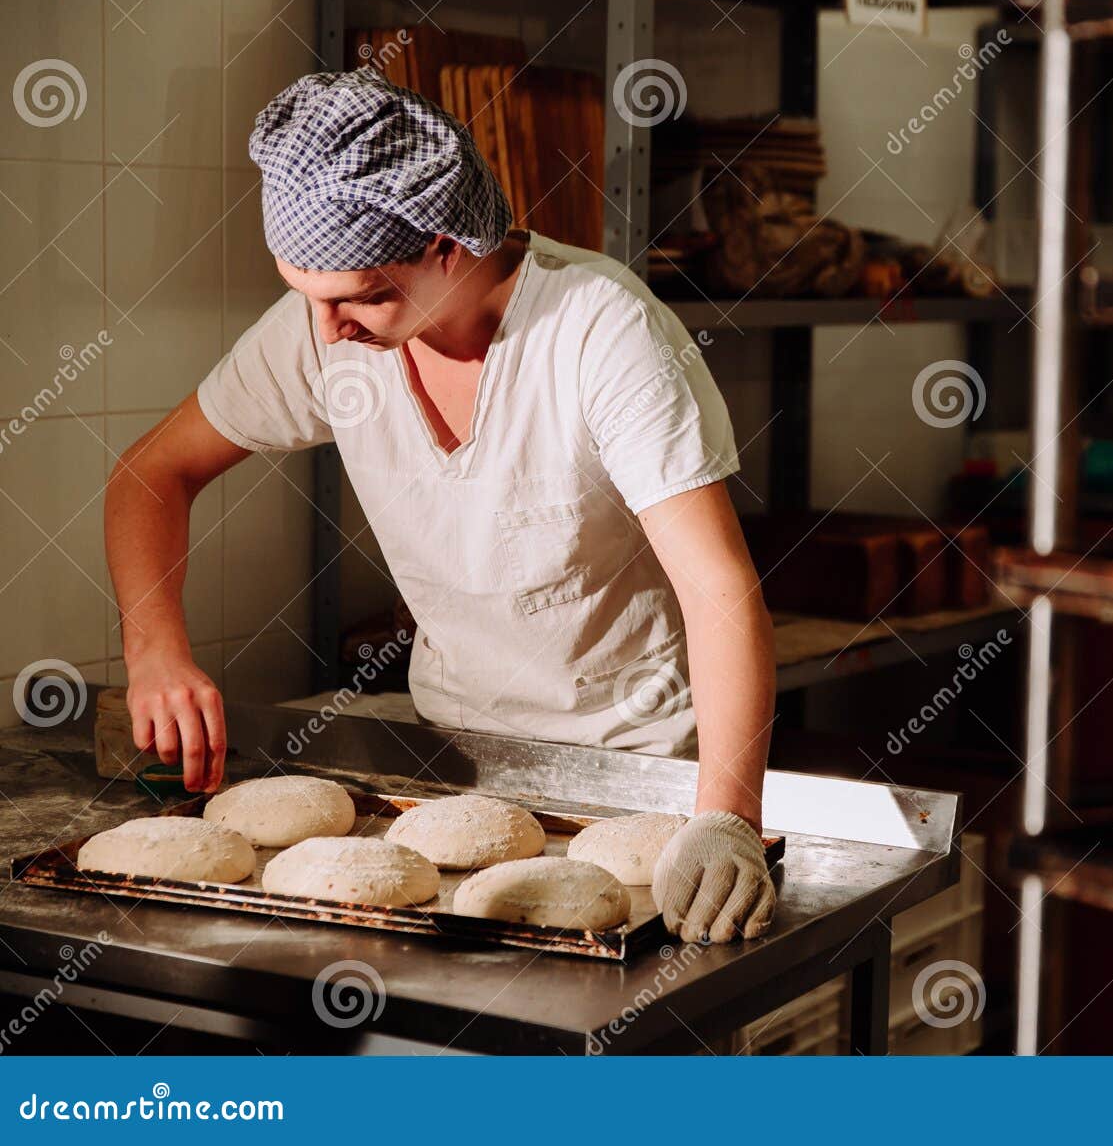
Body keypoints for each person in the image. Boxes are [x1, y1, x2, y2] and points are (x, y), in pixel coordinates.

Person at [103, 68, 776, 943]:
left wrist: (726, 818)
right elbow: (151, 474)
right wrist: (155, 648)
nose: (329, 329)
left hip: (636, 777)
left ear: (448, 244)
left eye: (362, 296)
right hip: (451, 769)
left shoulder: (599, 333)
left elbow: (719, 589)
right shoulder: (328, 325)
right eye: (309, 294)